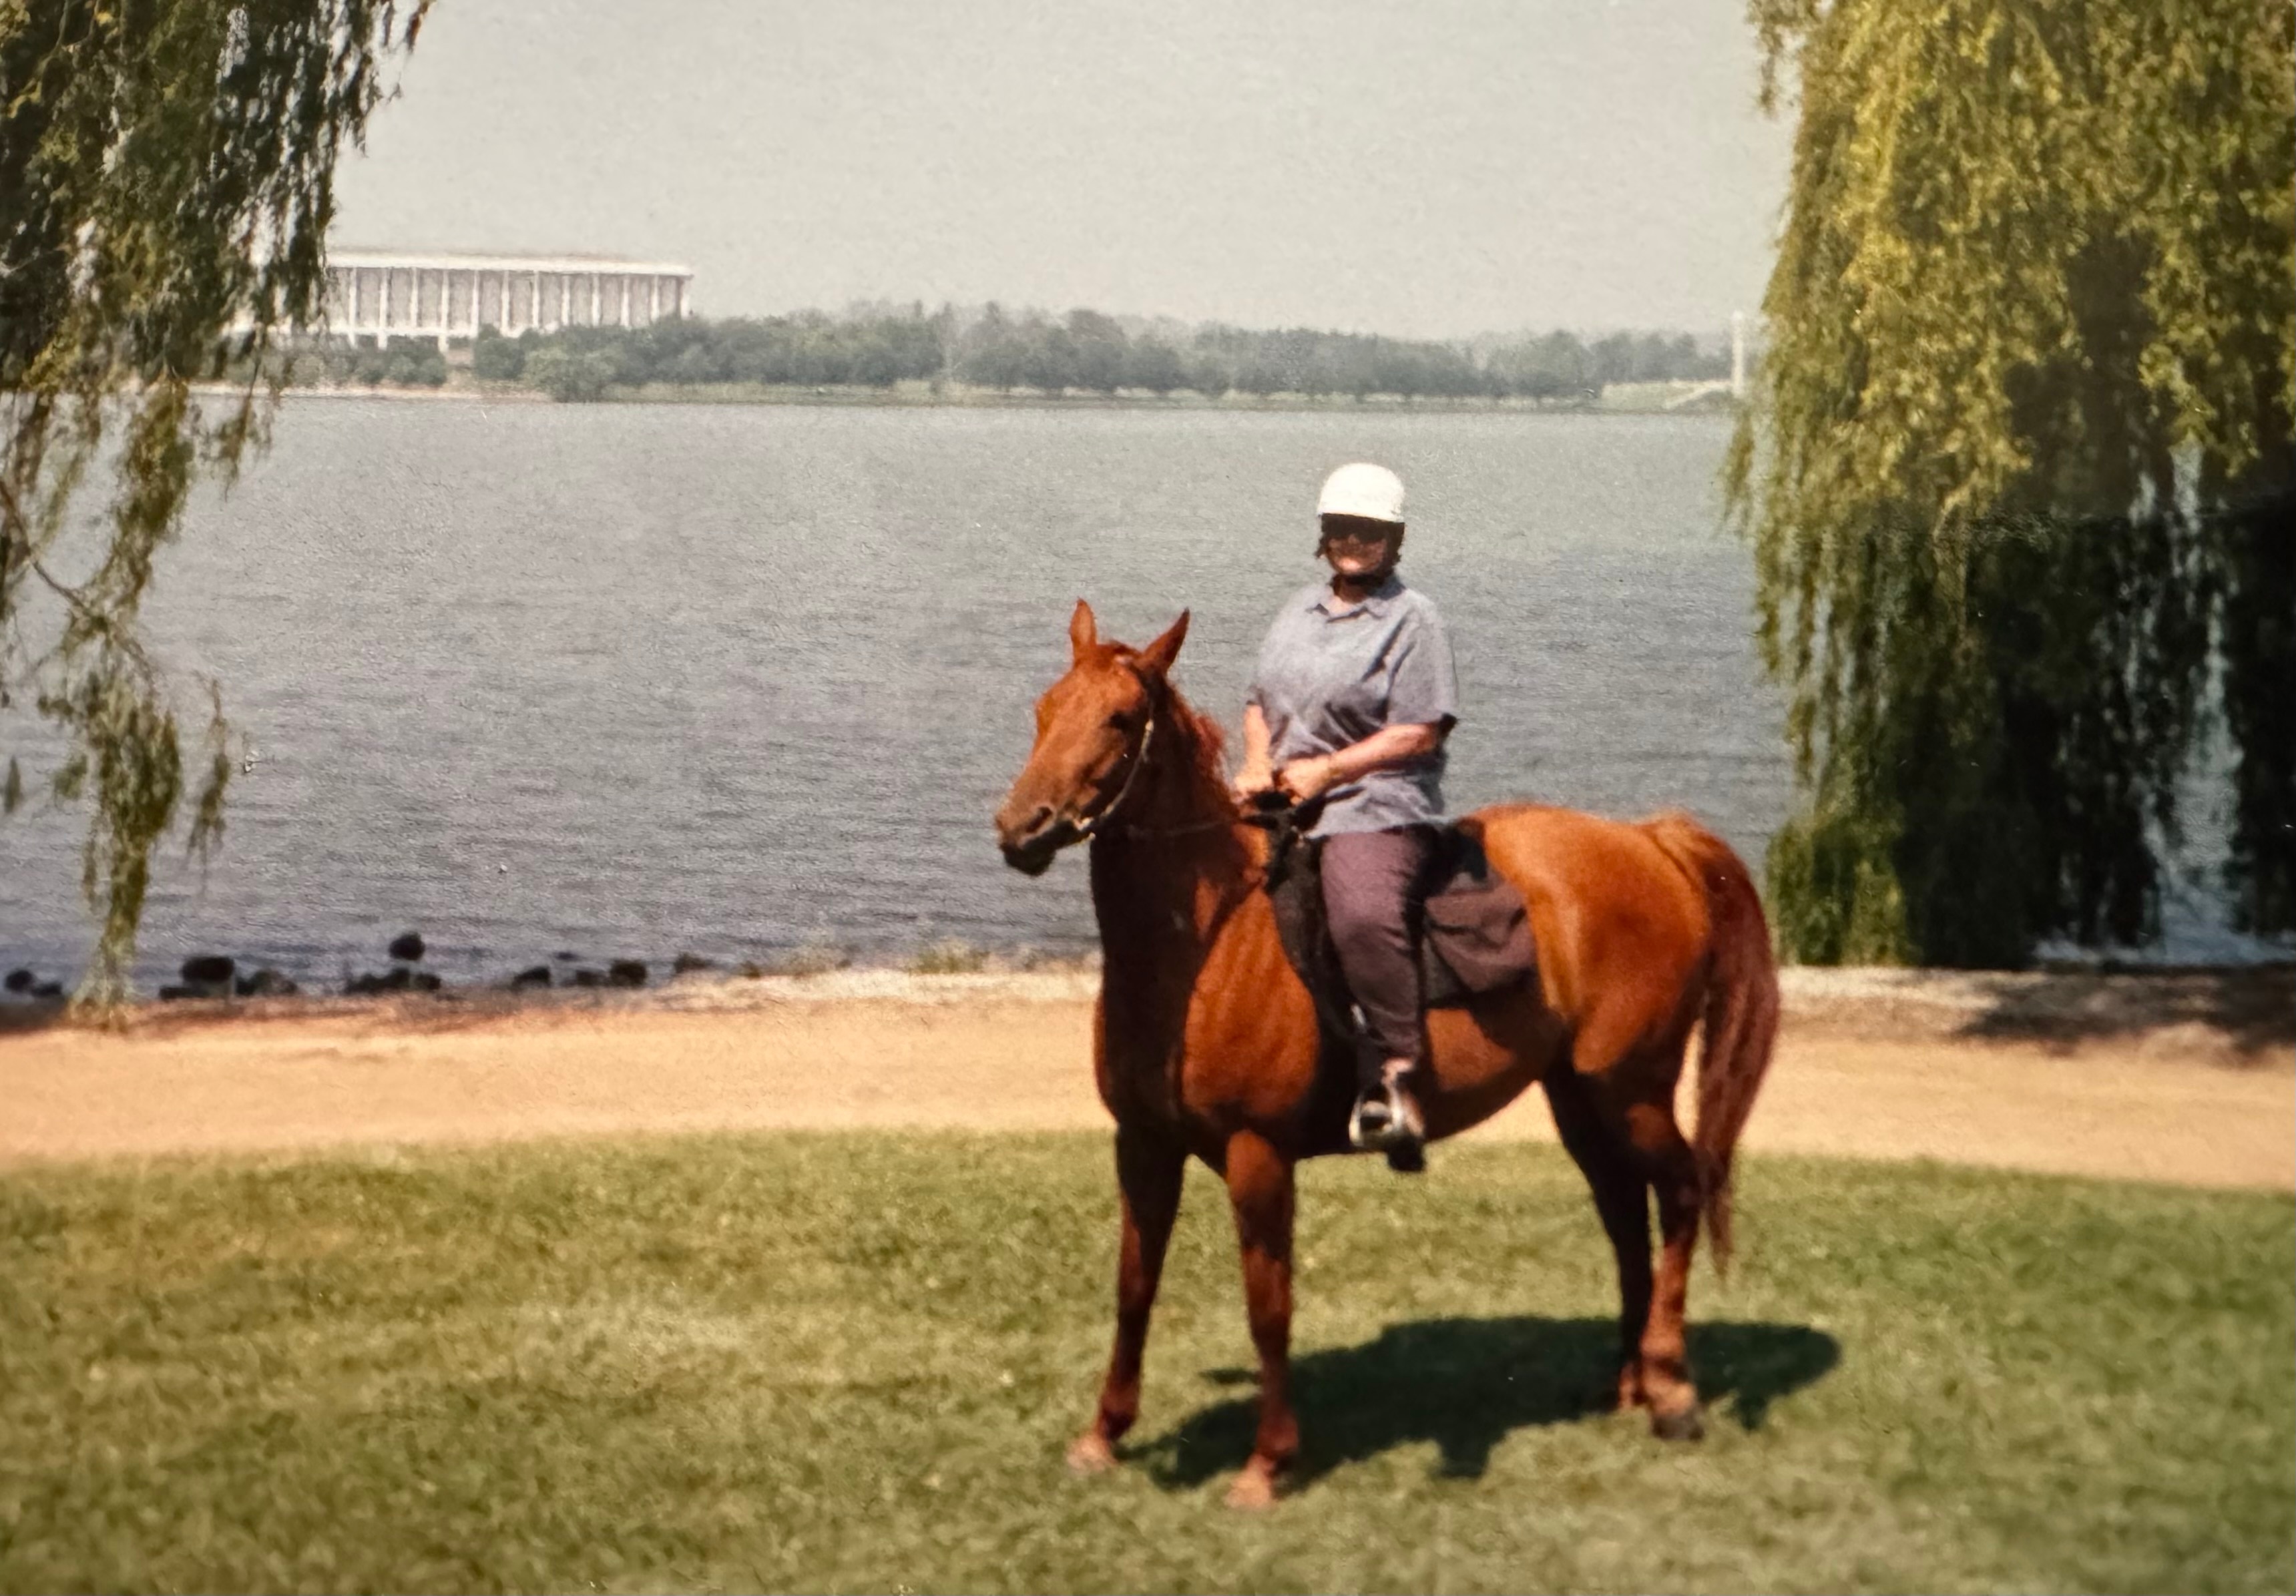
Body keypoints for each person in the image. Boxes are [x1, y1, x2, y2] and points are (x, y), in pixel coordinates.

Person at [1234, 462, 1459, 1163]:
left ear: (1396, 540)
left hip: (1377, 801)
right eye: (1341, 529)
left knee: (1360, 910)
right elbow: (1256, 703)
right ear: (1322, 535)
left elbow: (1421, 729)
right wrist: (1251, 762)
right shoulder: (1296, 610)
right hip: (1282, 795)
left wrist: (1328, 768)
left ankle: (1395, 1072)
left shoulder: (1412, 618)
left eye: (1370, 532)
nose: (1353, 542)